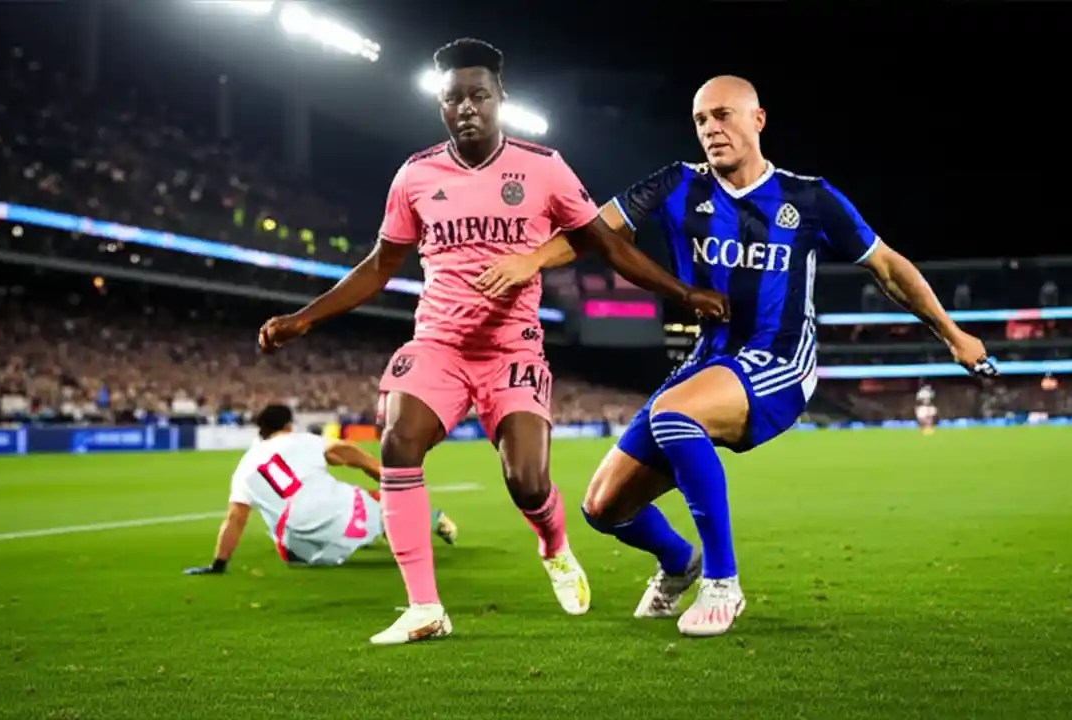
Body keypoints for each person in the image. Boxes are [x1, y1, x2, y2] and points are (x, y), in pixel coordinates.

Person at [473, 75, 997, 638]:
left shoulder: (809, 198)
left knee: (675, 415)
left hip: (780, 359)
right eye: (701, 120)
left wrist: (952, 334)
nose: (711, 129)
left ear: (758, 119)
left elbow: (888, 266)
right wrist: (531, 260)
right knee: (603, 508)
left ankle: (722, 581)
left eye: (723, 115)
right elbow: (595, 232)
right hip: (708, 358)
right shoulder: (677, 183)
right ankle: (680, 561)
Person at [258, 38, 727, 645]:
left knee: (527, 483)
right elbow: (379, 266)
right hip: (438, 345)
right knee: (399, 442)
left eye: (478, 95)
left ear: (501, 96)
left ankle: (553, 545)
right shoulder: (415, 175)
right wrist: (305, 318)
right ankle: (424, 607)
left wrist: (682, 293)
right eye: (453, 98)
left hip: (512, 351)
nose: (466, 108)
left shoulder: (544, 167)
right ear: (441, 105)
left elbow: (606, 244)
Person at [183, 404, 457, 574]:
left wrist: (218, 564)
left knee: (286, 537)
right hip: (344, 516)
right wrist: (379, 472)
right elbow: (342, 451)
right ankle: (430, 518)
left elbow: (235, 519)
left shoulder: (244, 467)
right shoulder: (301, 440)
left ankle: (335, 540)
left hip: (305, 546)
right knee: (367, 499)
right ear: (288, 425)